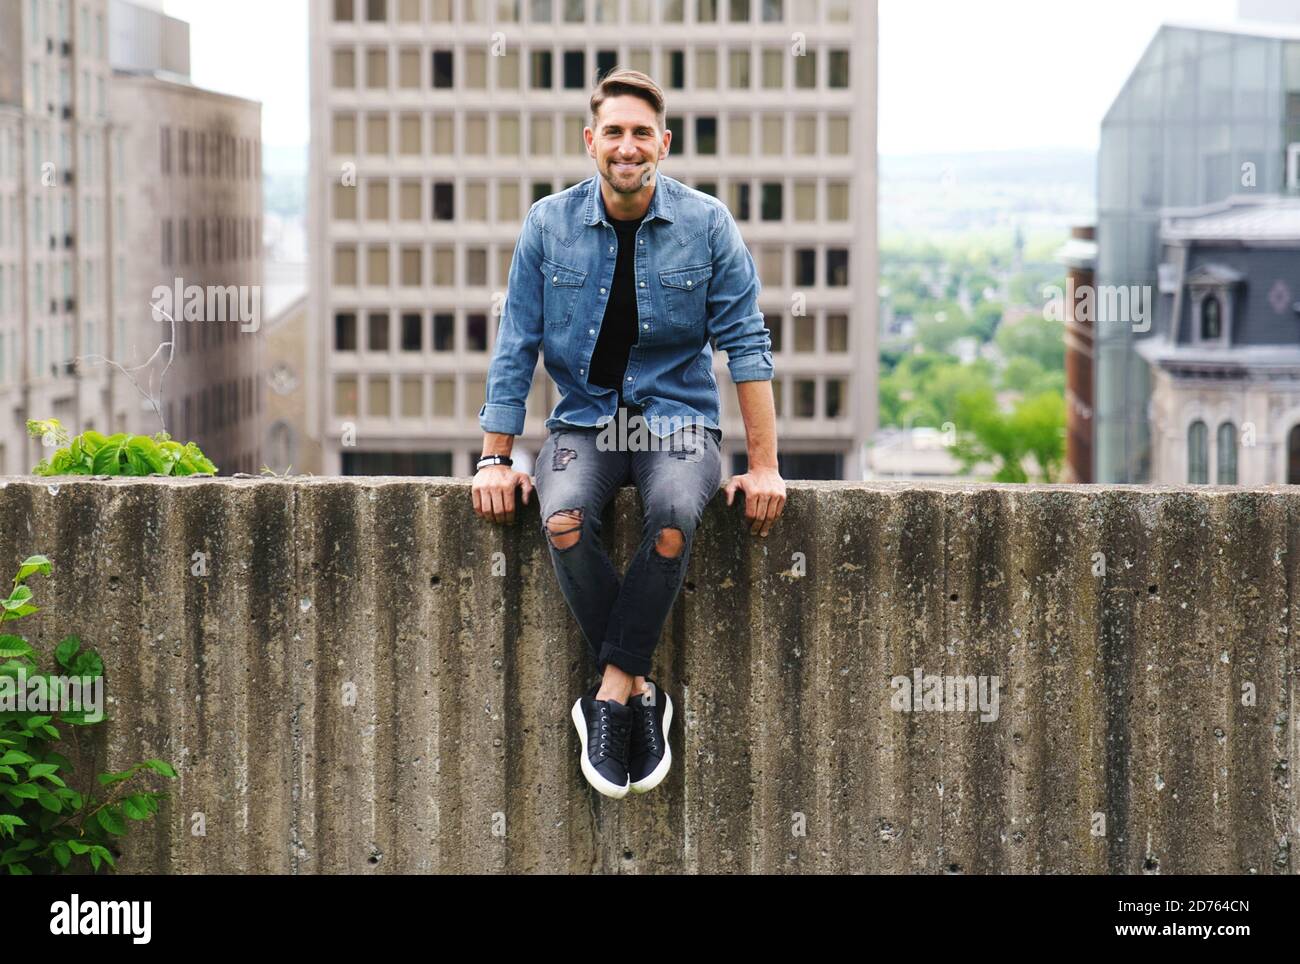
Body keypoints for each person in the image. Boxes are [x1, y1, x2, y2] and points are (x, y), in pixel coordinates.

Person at [471, 68, 786, 799]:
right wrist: (494, 457)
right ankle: (641, 690)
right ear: (591, 142)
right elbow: (515, 343)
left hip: (677, 423)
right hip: (583, 421)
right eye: (613, 131)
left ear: (663, 144)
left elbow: (747, 344)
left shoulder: (706, 224)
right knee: (563, 519)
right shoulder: (548, 225)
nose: (627, 145)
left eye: (642, 132)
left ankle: (611, 693)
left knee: (675, 515)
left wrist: (764, 466)